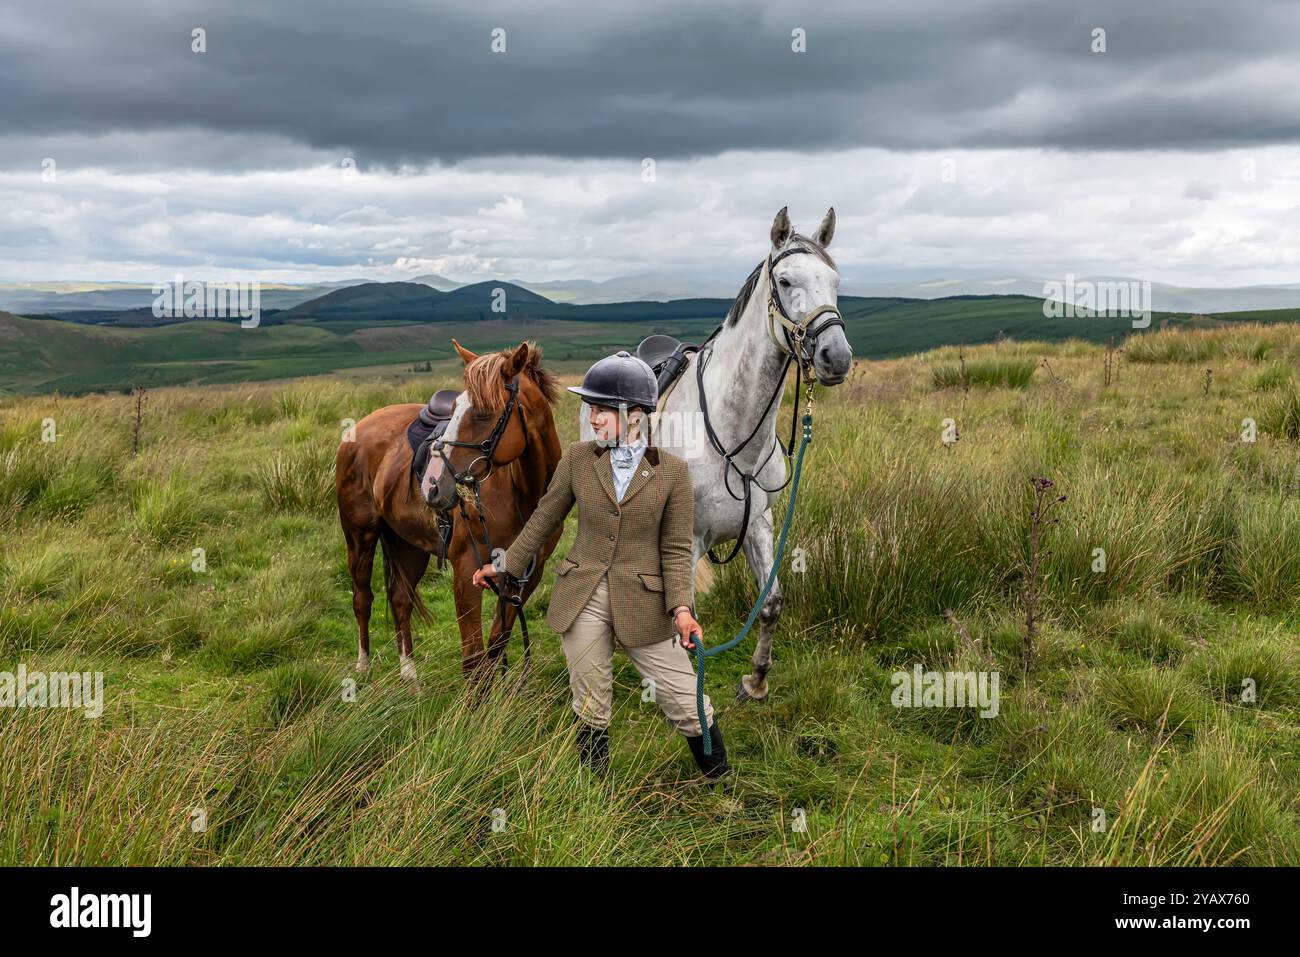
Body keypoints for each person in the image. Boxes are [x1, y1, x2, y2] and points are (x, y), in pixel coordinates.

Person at [472, 350, 729, 780]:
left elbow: (676, 550)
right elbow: (545, 516)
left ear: (634, 415)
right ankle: (595, 796)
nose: (592, 417)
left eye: (603, 409)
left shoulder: (673, 473)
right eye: (590, 406)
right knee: (591, 701)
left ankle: (721, 787)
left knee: (687, 701)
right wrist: (506, 564)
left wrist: (682, 609)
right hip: (582, 594)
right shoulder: (576, 459)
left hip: (647, 601)